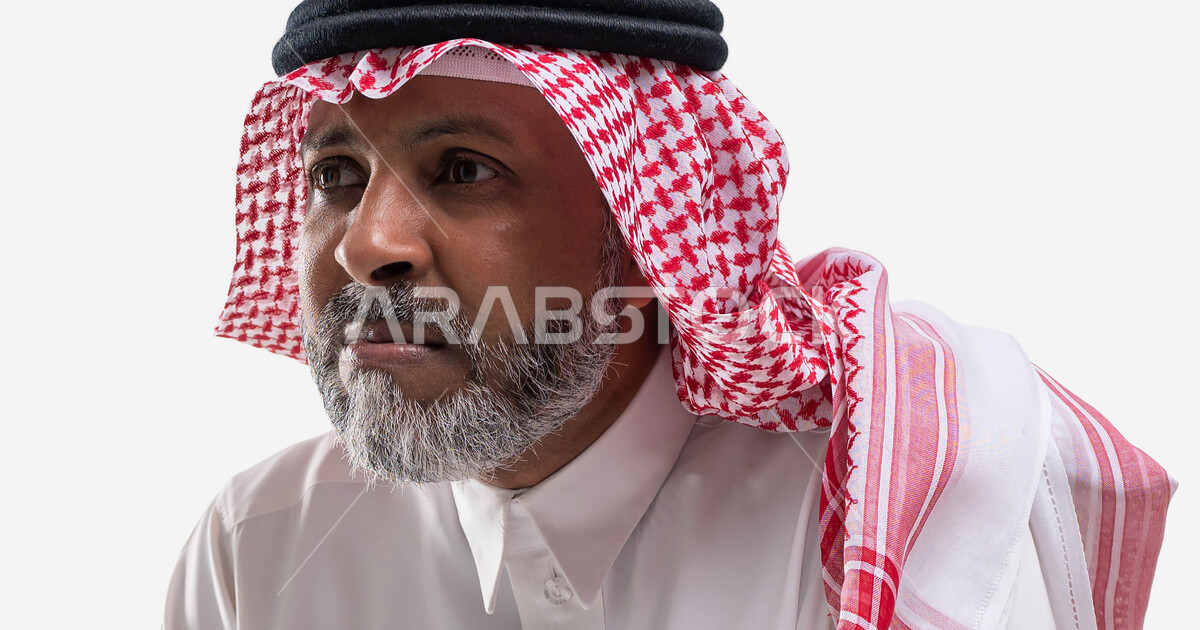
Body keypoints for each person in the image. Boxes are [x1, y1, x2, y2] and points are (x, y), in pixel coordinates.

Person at [164, 1, 1176, 628]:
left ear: (650, 229)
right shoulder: (260, 546)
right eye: (336, 173)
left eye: (463, 170)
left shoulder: (878, 530)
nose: (365, 244)